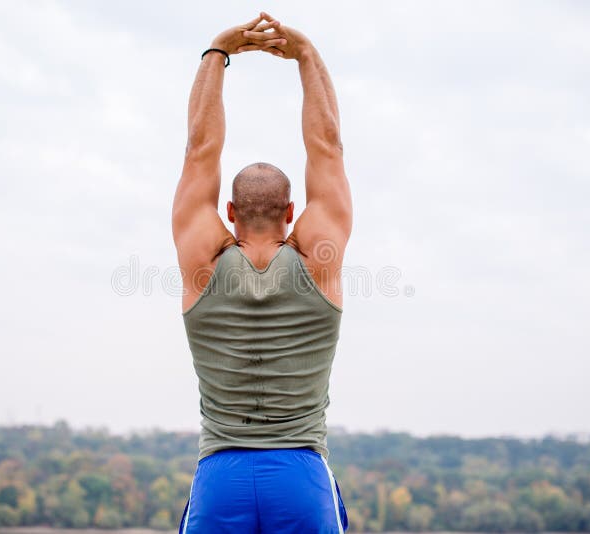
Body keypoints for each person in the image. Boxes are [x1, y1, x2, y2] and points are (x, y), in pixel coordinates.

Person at [171, 12, 352, 533]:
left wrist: (217, 52)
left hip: (220, 477)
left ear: (228, 212)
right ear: (292, 212)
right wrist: (306, 55)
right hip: (300, 476)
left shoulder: (202, 262)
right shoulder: (318, 263)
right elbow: (328, 147)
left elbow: (199, 151)